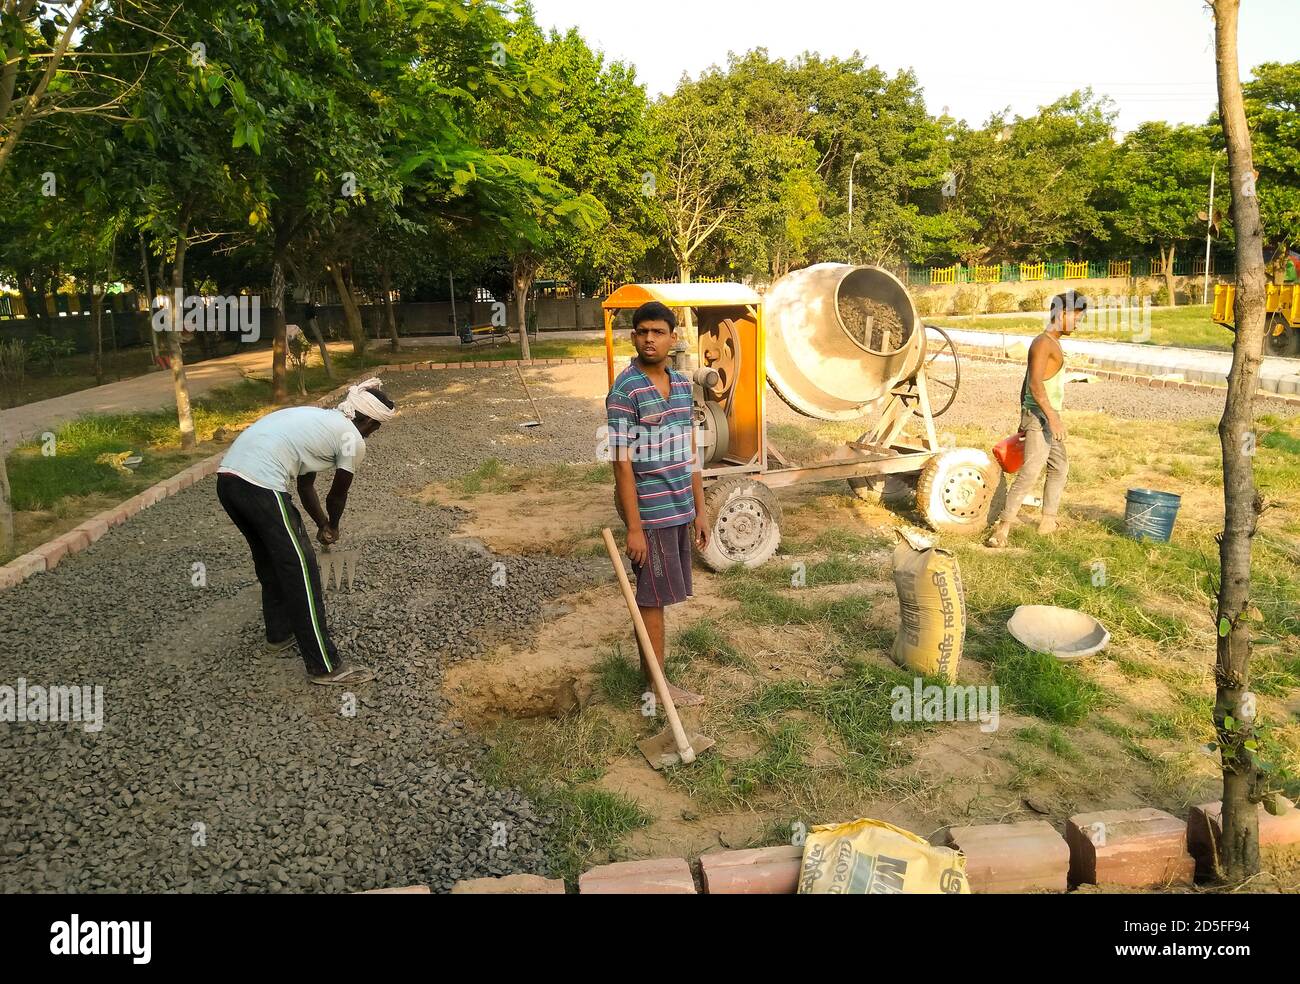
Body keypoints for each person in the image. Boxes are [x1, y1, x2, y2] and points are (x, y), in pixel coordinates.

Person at [216, 378, 396, 684]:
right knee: (303, 571)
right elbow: (337, 494)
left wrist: (322, 524)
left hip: (229, 481)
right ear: (366, 420)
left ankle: (279, 634)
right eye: (375, 427)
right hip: (262, 486)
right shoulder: (352, 438)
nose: (372, 434)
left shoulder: (322, 422)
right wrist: (335, 525)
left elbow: (305, 484)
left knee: (273, 563)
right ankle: (324, 665)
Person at [606, 301, 710, 707]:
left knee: (659, 596)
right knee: (651, 598)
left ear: (673, 337)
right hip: (649, 511)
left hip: (680, 507)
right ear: (633, 337)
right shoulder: (625, 390)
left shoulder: (683, 386)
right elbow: (621, 463)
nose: (650, 339)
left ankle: (657, 683)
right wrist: (634, 528)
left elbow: (690, 451)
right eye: (642, 331)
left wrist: (700, 510)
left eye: (658, 332)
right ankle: (658, 689)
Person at [986, 291, 1087, 548]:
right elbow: (1034, 384)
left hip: (1041, 416)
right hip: (1041, 417)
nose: (1078, 322)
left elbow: (1027, 381)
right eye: (1076, 316)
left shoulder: (1051, 342)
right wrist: (1052, 418)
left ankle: (1048, 521)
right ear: (1062, 314)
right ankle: (1002, 529)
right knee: (1030, 472)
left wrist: (1027, 413)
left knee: (1060, 467)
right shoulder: (1043, 343)